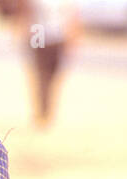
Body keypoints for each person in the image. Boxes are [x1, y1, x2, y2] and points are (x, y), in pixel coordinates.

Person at [19, 0, 81, 128]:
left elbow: (73, 18)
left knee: (54, 76)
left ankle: (48, 111)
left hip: (59, 36)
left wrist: (72, 40)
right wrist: (26, 35)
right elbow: (27, 13)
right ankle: (42, 113)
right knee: (41, 74)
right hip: (39, 33)